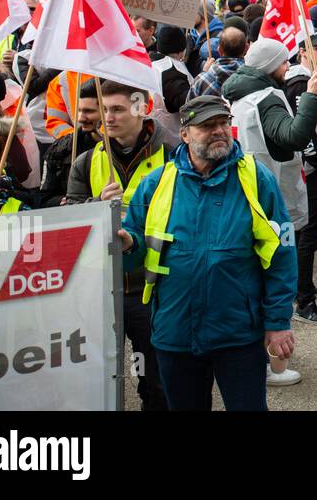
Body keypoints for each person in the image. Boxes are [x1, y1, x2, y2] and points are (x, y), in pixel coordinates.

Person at [117, 96, 298, 411]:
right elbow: (136, 247)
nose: (219, 131)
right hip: (175, 331)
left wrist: (278, 321)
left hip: (237, 333)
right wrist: (128, 245)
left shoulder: (255, 180)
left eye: (223, 123)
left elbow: (282, 255)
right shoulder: (156, 184)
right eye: (207, 125)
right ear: (185, 134)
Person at [64, 81, 175, 410]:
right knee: (98, 380)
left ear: (141, 110)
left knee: (153, 377)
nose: (107, 118)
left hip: (152, 289)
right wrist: (96, 206)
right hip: (101, 290)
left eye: (117, 109)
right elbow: (69, 221)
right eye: (105, 110)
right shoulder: (86, 161)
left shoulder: (171, 155)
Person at [222, 37, 317, 385]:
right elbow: (294, 136)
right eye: (283, 63)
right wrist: (312, 97)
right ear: (269, 66)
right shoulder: (268, 97)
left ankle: (251, 359)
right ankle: (265, 363)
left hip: (241, 198)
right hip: (268, 204)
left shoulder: (235, 92)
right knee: (268, 282)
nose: (288, 68)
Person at [284, 31, 317, 326]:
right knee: (308, 231)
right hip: (307, 171)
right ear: (302, 51)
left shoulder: (313, 78)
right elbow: (301, 129)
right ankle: (303, 300)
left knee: (308, 230)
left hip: (311, 168)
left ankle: (301, 284)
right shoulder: (298, 81)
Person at [38, 84, 100, 206]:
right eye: (79, 110)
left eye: (89, 111)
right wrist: (59, 202)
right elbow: (42, 199)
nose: (81, 118)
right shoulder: (60, 151)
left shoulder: (120, 149)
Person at [149, 26, 193, 139]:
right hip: (171, 139)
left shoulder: (150, 63)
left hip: (150, 133)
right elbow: (188, 102)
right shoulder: (172, 70)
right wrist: (205, 75)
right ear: (182, 49)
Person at [189, 27, 249, 99]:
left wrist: (204, 72)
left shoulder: (201, 81)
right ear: (246, 48)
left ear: (219, 50)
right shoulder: (253, 80)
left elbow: (188, 108)